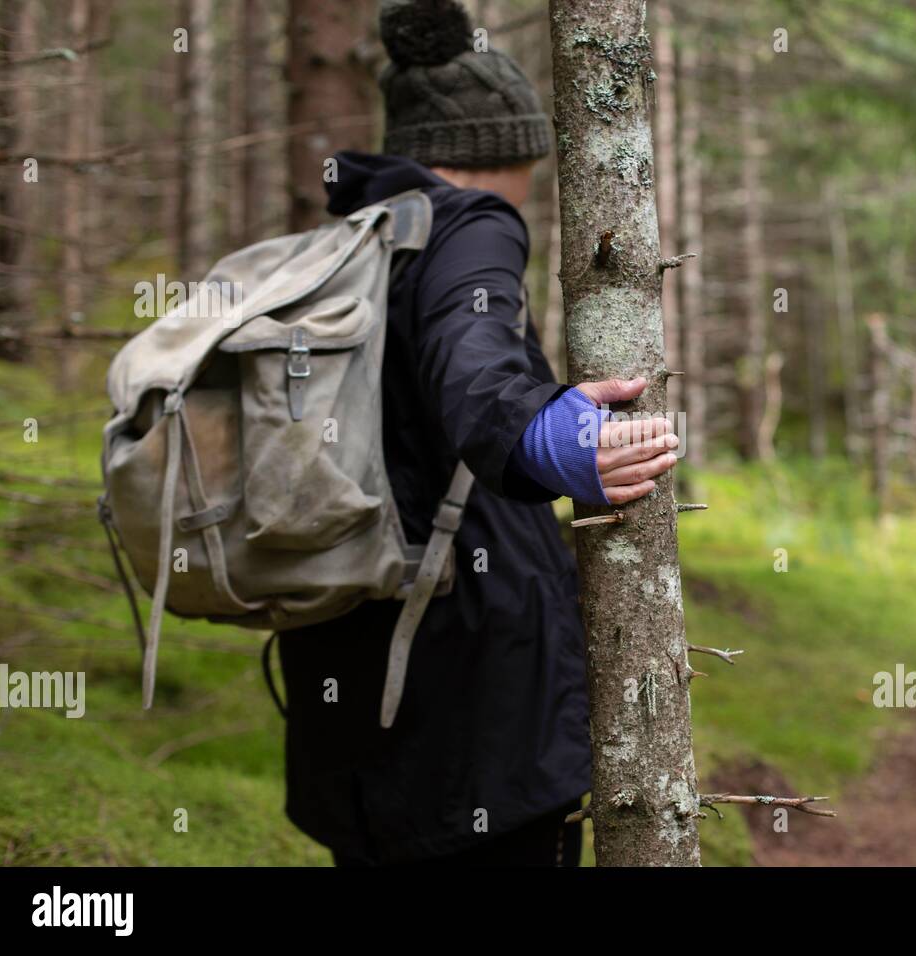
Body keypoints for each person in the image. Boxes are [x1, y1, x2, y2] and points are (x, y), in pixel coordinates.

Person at [274, 0, 679, 866]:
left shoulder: (348, 243)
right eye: (525, 165)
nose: (530, 189)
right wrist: (548, 437)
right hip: (474, 710)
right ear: (487, 156)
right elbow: (474, 362)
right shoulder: (469, 225)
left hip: (350, 690)